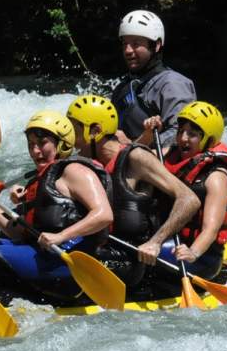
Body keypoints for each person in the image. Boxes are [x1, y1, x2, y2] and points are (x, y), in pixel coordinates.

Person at [0, 110, 120, 305]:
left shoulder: (74, 171)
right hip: (39, 257)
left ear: (62, 143)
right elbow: (16, 234)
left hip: (65, 265)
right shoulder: (40, 180)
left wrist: (61, 236)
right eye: (31, 145)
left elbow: (104, 215)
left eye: (42, 143)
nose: (35, 151)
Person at [66, 94, 200, 271]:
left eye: (74, 131)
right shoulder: (91, 162)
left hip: (137, 257)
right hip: (109, 248)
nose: (71, 140)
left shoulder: (136, 158)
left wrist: (155, 242)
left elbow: (190, 199)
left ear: (95, 131)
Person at [152, 101, 227, 279]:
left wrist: (193, 252)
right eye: (180, 132)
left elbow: (210, 229)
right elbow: (136, 157)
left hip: (202, 257)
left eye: (192, 134)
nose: (183, 139)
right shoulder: (170, 154)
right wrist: (147, 133)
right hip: (168, 238)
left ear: (209, 140)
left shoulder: (216, 179)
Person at [109, 10, 196, 151]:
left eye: (136, 44)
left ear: (156, 45)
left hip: (155, 161)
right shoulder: (122, 88)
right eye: (125, 44)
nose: (127, 50)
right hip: (124, 159)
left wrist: (133, 146)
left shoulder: (173, 84)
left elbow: (180, 133)